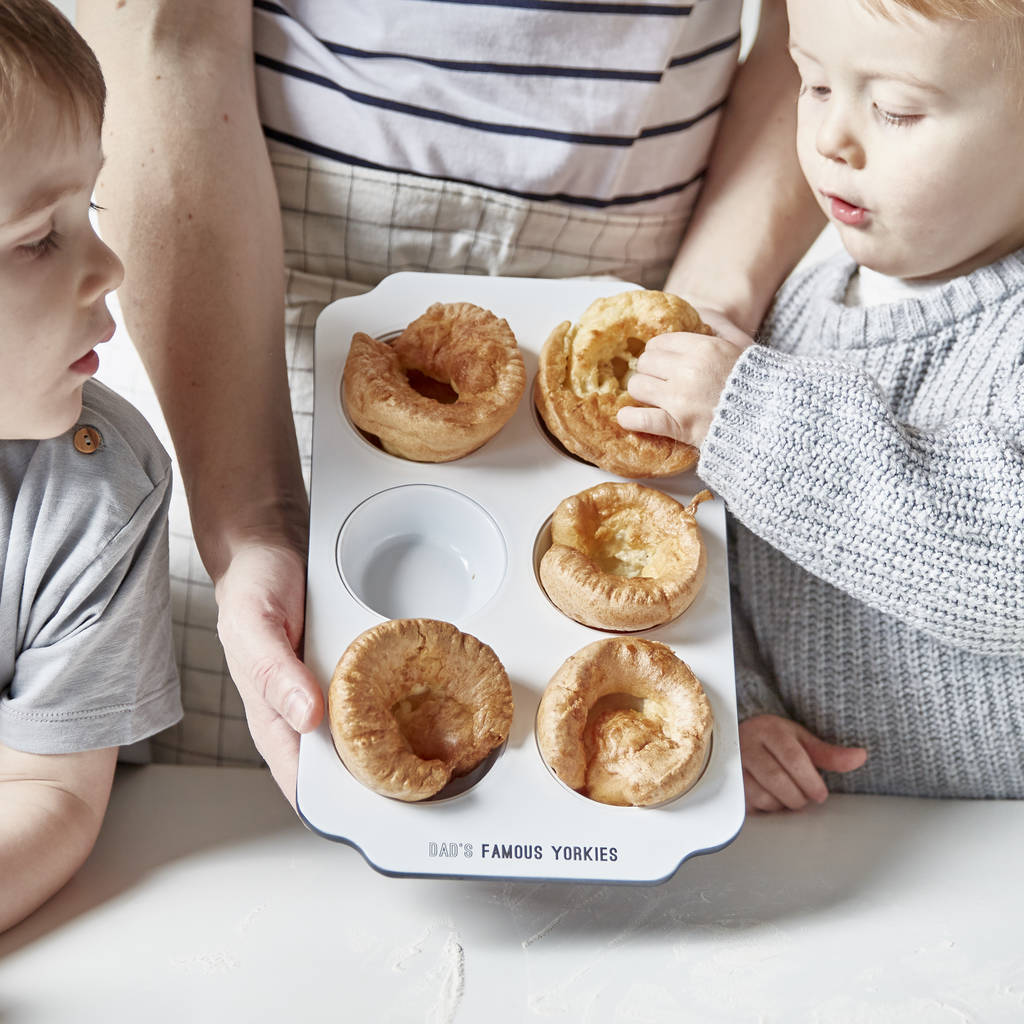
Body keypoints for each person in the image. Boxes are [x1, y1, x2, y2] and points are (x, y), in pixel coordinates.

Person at [76, 0, 824, 804]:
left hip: (632, 333)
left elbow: (815, 42)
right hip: (251, 345)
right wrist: (251, 519)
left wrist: (689, 336)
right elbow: (163, 33)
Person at [619, 0, 1024, 809]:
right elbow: (715, 557)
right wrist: (743, 707)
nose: (833, 140)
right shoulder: (793, 307)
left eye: (894, 110)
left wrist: (751, 419)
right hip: (838, 838)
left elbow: (1006, 571)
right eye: (812, 85)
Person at [0, 0, 181, 932]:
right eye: (40, 237)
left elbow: (49, 793)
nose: (109, 265)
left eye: (90, 210)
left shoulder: (96, 491)